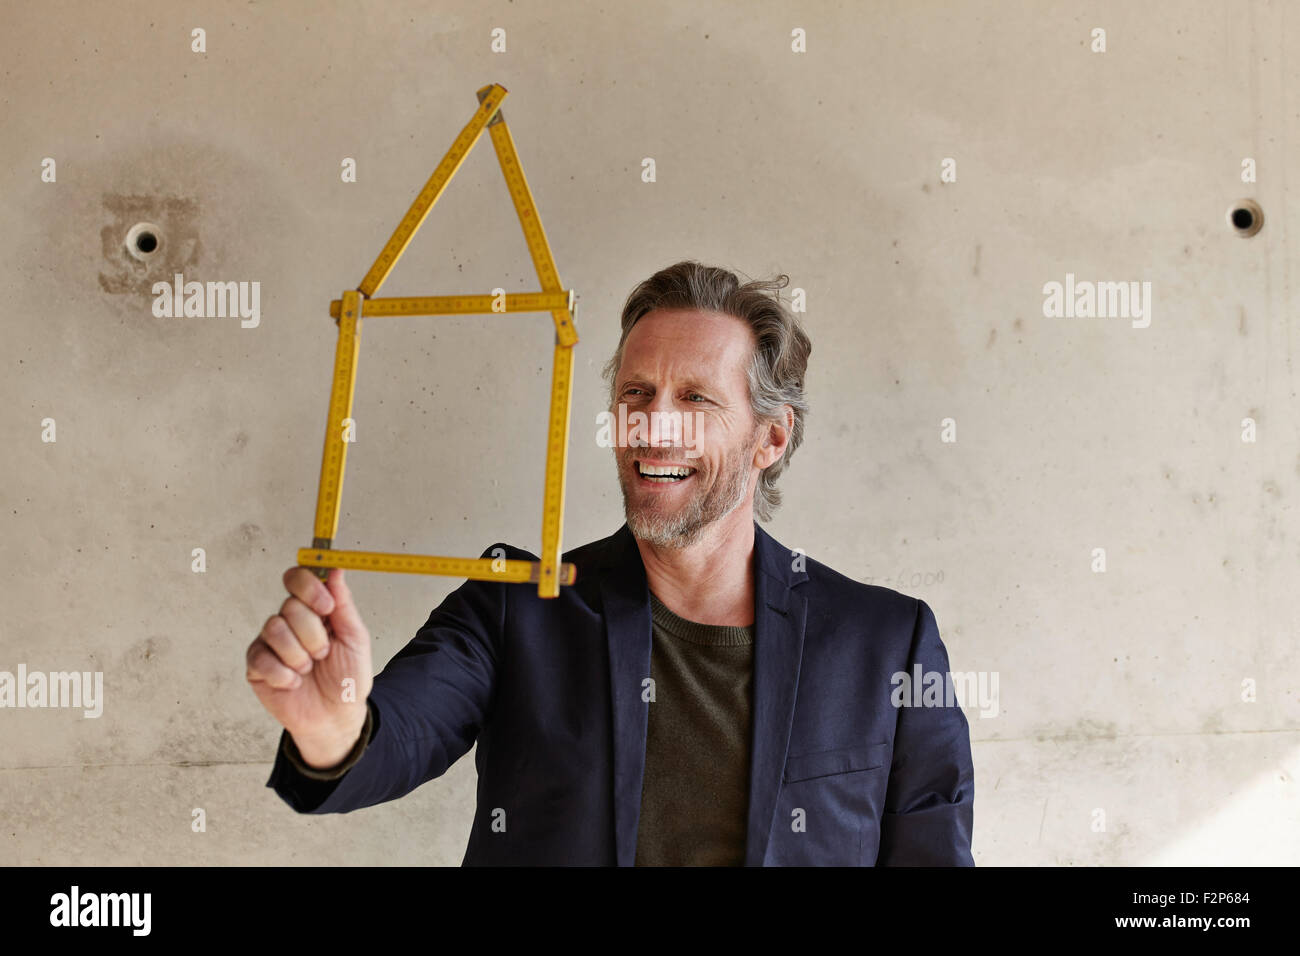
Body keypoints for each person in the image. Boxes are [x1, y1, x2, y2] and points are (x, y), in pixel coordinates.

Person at [248, 260, 975, 865]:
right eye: (636, 393)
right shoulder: (515, 607)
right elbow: (396, 738)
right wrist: (331, 729)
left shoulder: (888, 642)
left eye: (695, 398)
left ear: (771, 439)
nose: (653, 426)